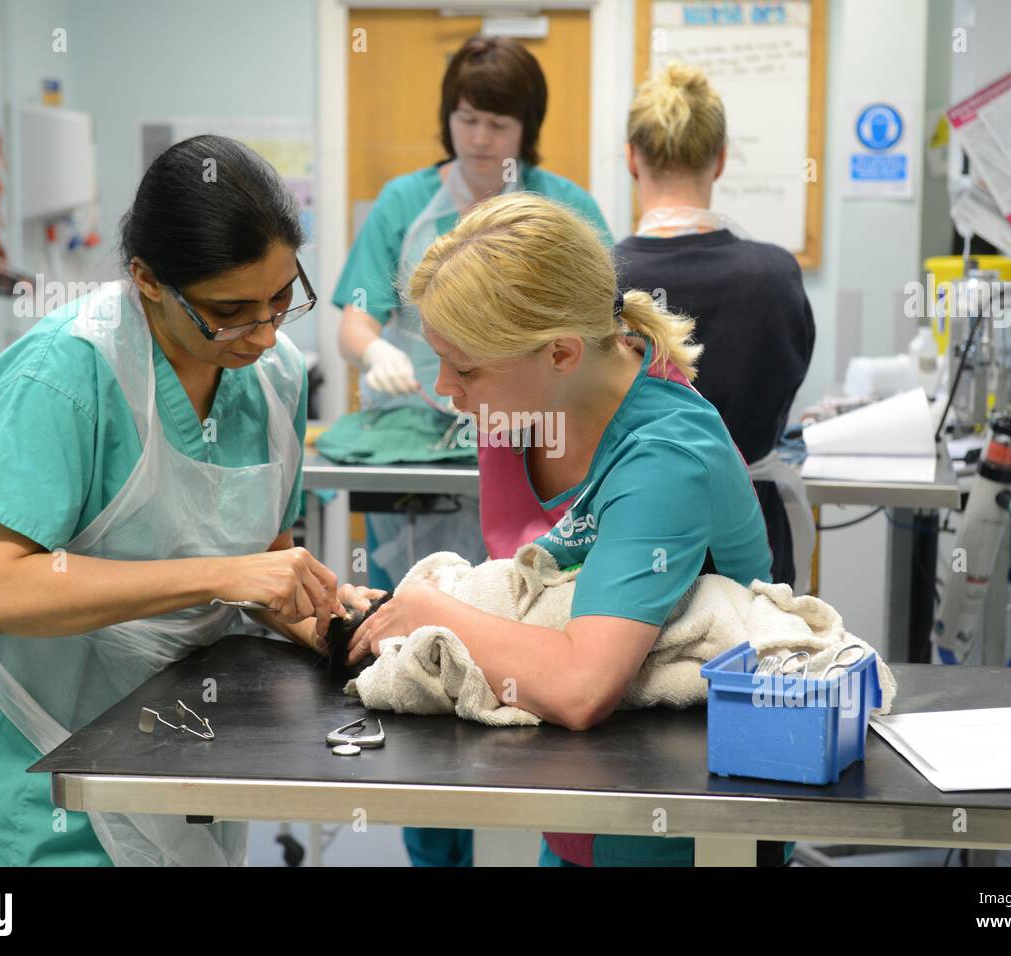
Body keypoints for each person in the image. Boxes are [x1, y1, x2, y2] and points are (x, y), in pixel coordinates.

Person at [0, 135, 371, 866]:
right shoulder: (67, 372)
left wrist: (328, 610)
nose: (261, 335)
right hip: (41, 766)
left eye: (282, 298)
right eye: (230, 311)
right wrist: (223, 575)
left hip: (185, 748)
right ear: (148, 279)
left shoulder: (276, 377)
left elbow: (262, 555)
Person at [345, 192, 775, 866]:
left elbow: (581, 686)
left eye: (464, 367)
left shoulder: (666, 455)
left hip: (682, 811)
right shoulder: (513, 415)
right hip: (574, 796)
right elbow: (527, 593)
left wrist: (433, 610)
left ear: (562, 353)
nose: (444, 389)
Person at [332, 34, 611, 867]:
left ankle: (562, 841)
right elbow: (357, 313)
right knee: (426, 660)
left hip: (535, 448)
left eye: (497, 122)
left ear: (528, 128)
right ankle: (436, 852)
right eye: (465, 118)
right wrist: (372, 352)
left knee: (545, 654)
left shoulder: (565, 208)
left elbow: (601, 332)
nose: (479, 138)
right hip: (419, 441)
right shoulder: (405, 205)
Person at [615, 62, 815, 589]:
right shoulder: (776, 276)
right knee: (754, 667)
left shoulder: (599, 281)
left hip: (631, 548)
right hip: (752, 549)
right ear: (721, 160)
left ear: (632, 159)